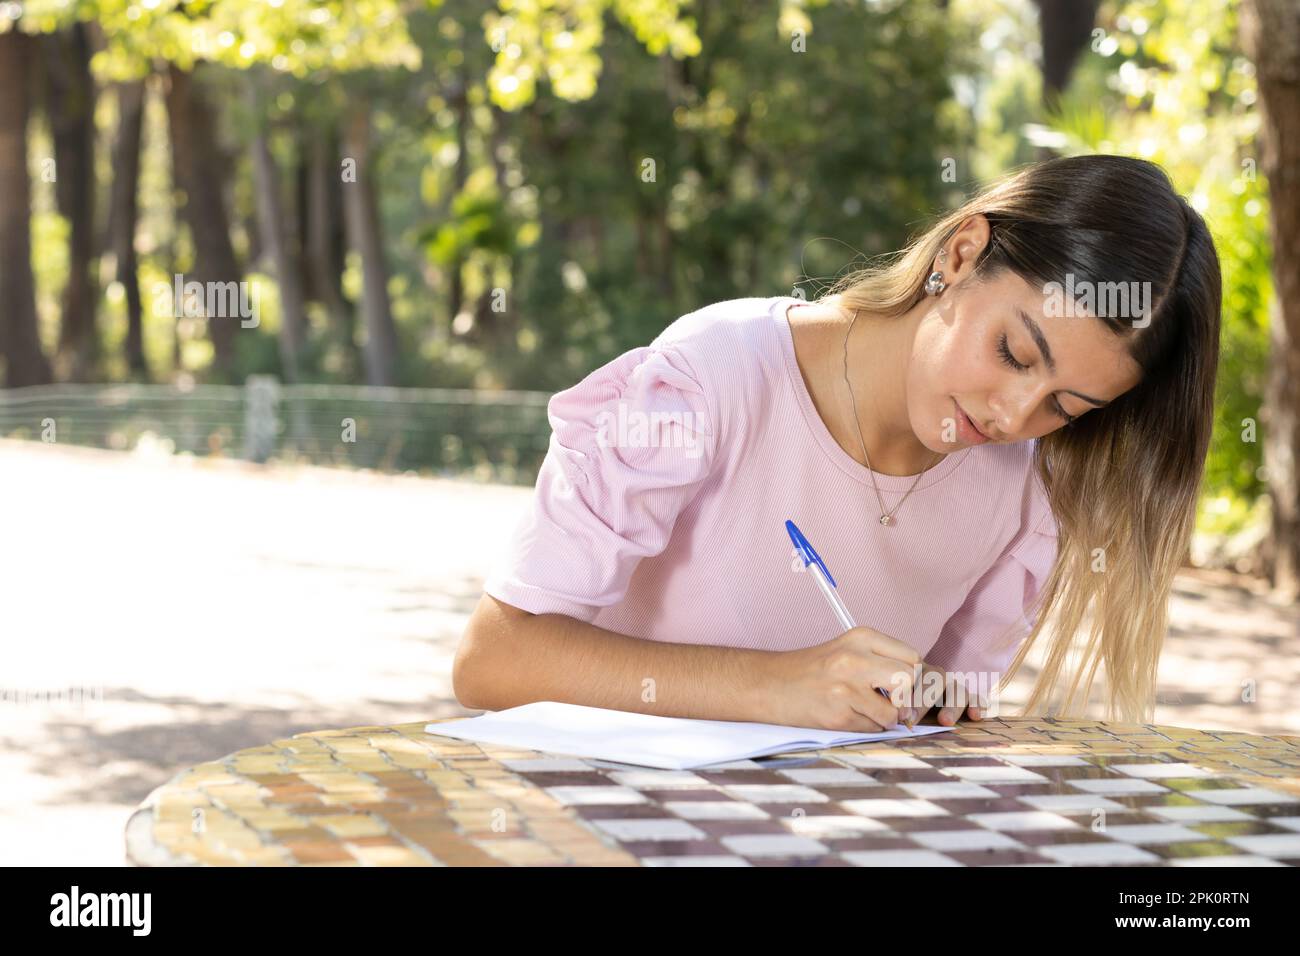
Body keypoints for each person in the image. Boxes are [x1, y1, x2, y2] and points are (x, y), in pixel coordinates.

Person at [453, 154, 1222, 731]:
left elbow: (934, 724)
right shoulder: (709, 380)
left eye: (1067, 405)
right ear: (961, 254)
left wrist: (939, 712)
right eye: (1015, 355)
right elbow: (494, 659)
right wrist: (773, 686)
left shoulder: (1026, 498)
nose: (1014, 417)